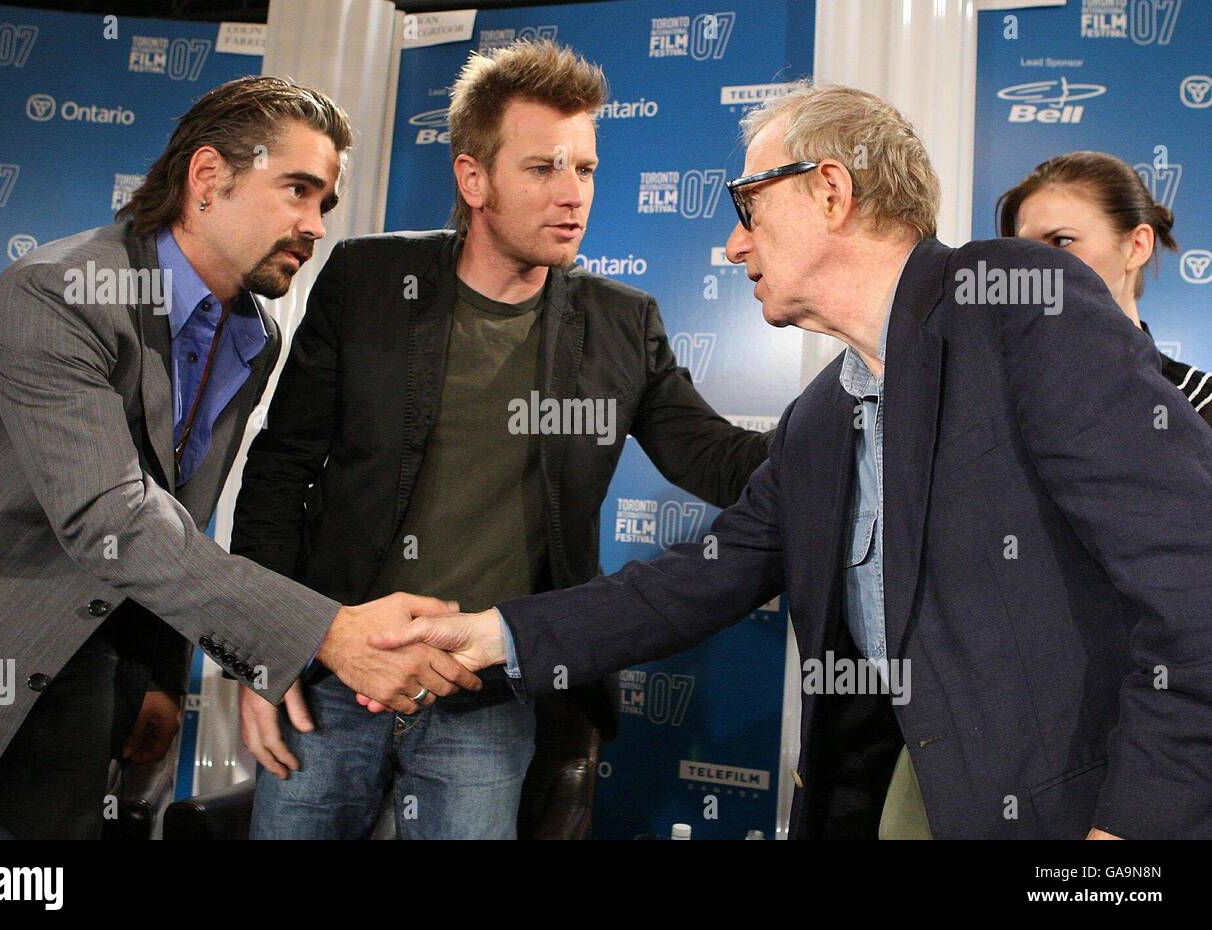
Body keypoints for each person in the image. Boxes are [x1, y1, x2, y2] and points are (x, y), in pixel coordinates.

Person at [372, 83, 1212, 839]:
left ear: (831, 190)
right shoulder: (819, 420)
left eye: (748, 205)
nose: (735, 246)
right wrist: (489, 634)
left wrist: (1134, 833)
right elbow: (694, 581)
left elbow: (1193, 584)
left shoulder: (1021, 302)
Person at [0, 76, 479, 841]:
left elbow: (178, 515)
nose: (315, 226)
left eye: (326, 204)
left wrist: (151, 676)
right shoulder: (58, 295)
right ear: (208, 179)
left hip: (80, 668)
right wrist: (330, 635)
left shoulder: (254, 334)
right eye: (297, 191)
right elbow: (111, 514)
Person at [234, 40, 771, 840]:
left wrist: (864, 441)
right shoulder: (367, 281)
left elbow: (719, 457)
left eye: (585, 170)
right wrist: (260, 655)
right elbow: (280, 472)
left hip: (487, 698)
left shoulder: (621, 324)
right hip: (333, 677)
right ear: (473, 178)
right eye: (544, 169)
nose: (573, 195)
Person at [997, 150, 1212, 427]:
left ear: (1137, 246)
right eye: (1024, 249)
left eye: (1062, 241)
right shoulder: (992, 397)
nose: (1034, 266)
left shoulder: (1199, 406)